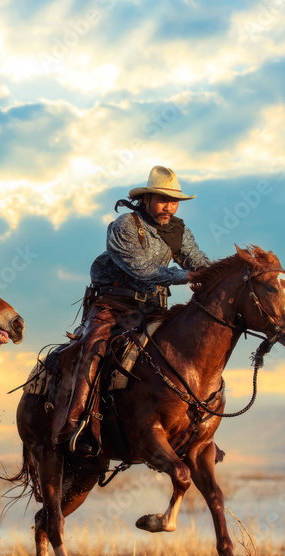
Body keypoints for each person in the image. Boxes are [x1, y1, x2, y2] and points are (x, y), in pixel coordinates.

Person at [51, 166, 212, 451]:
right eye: (162, 199)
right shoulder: (125, 225)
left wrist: (220, 274)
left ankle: (195, 431)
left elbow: (196, 260)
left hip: (153, 308)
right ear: (146, 199)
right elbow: (140, 269)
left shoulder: (178, 229)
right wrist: (184, 276)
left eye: (174, 201)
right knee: (93, 349)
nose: (169, 207)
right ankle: (78, 425)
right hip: (114, 305)